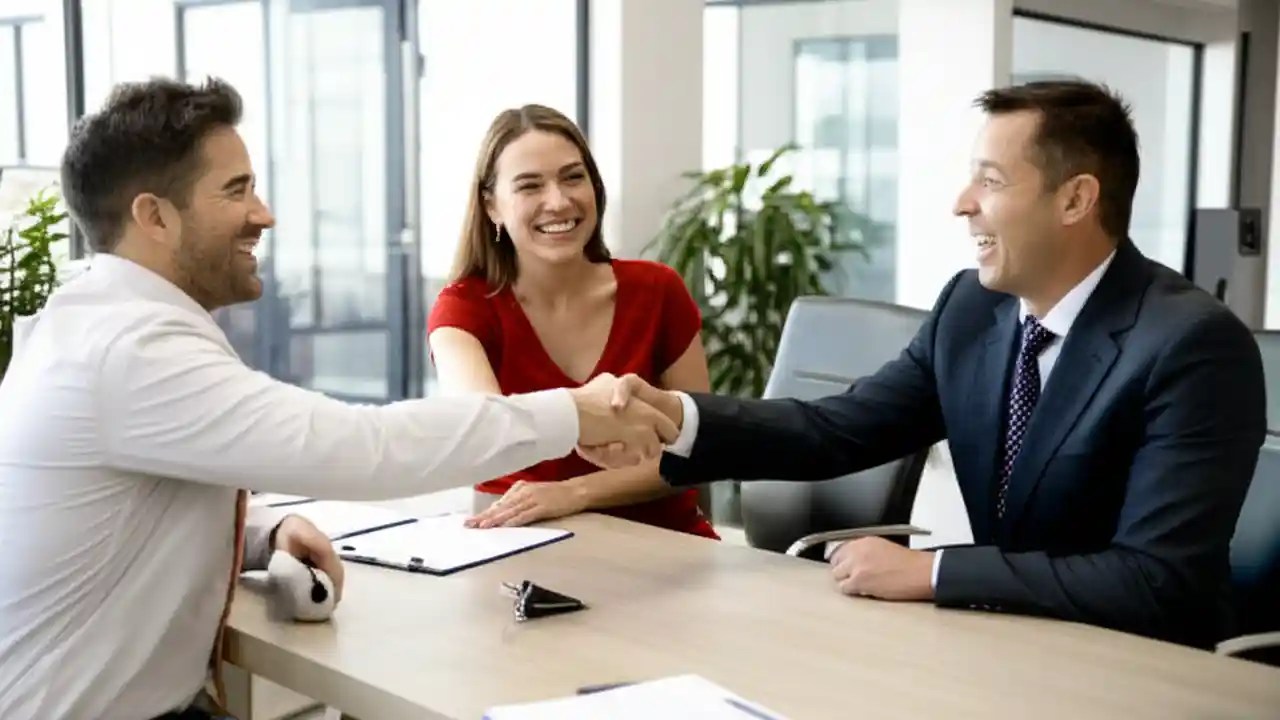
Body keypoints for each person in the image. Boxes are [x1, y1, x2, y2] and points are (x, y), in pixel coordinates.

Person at [0, 78, 675, 720]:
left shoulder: (101, 319)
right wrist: (569, 411)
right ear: (155, 217)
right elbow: (361, 449)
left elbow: (136, 488)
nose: (263, 215)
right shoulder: (131, 348)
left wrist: (261, 534)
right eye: (236, 191)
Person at [590, 80, 1266, 649]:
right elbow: (838, 429)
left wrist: (936, 572)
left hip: (1139, 666)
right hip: (1003, 644)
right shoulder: (973, 310)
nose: (961, 203)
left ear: (1075, 199)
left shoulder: (1192, 346)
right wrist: (679, 418)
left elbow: (1155, 581)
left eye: (990, 180)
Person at [427, 104, 718, 539]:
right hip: (529, 549)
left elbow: (702, 446)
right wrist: (581, 418)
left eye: (572, 177)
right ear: (492, 206)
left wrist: (574, 492)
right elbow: (484, 434)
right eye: (529, 185)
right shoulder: (464, 309)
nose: (559, 201)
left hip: (667, 547)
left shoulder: (658, 291)